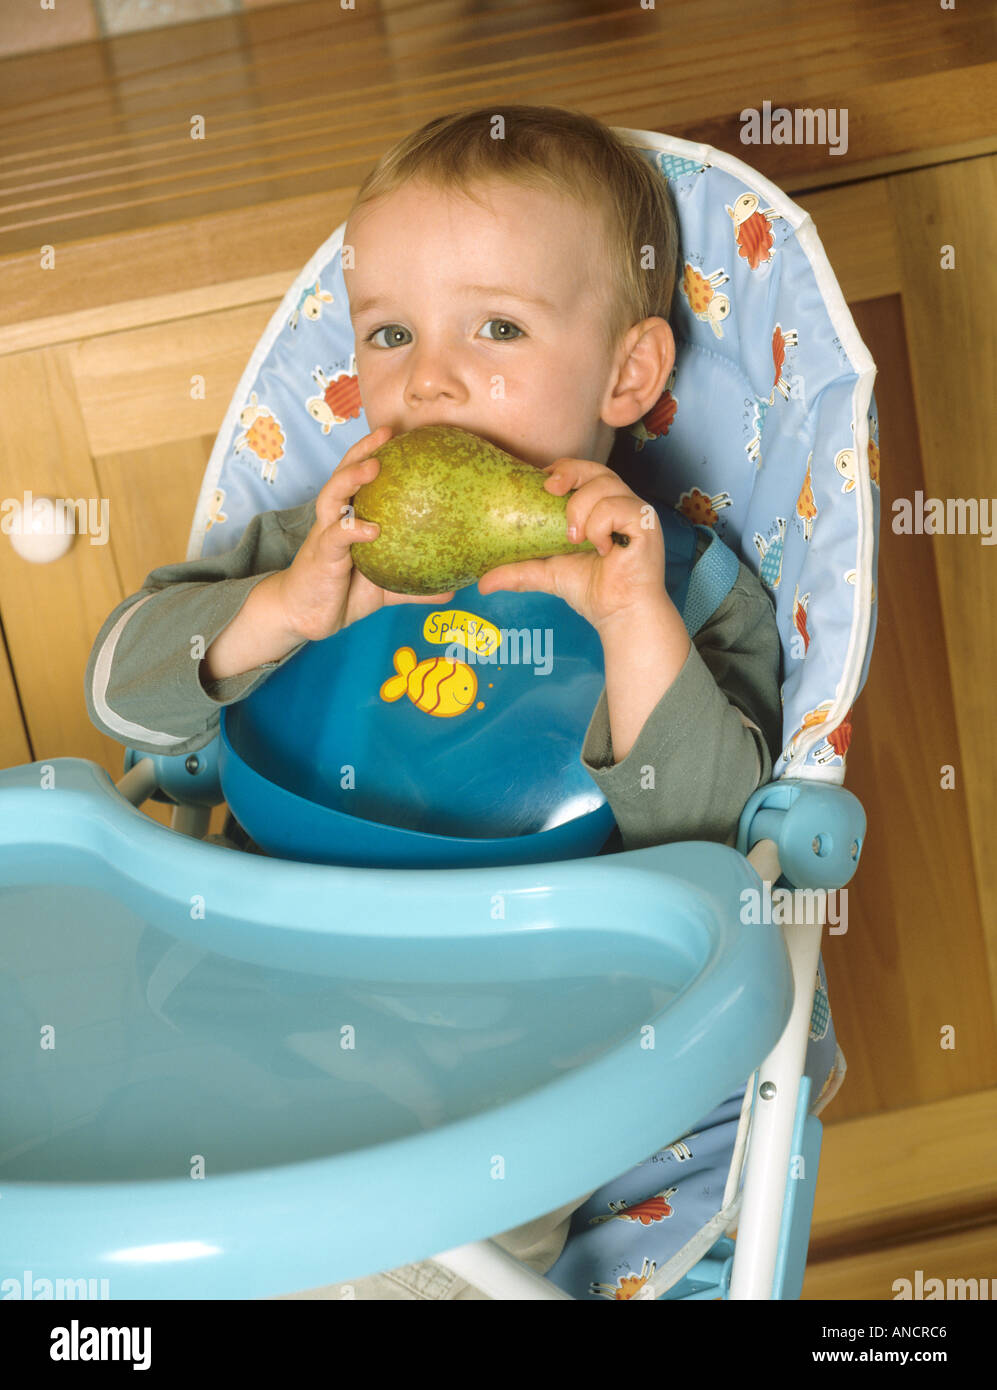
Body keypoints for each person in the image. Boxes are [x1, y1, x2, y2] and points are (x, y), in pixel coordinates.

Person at [85, 105, 783, 1299]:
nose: (430, 375)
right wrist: (281, 614)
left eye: (497, 326)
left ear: (628, 371)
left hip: (522, 1032)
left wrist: (630, 625)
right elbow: (122, 699)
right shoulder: (315, 543)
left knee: (423, 1227)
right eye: (390, 332)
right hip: (268, 979)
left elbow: (713, 846)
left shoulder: (681, 589)